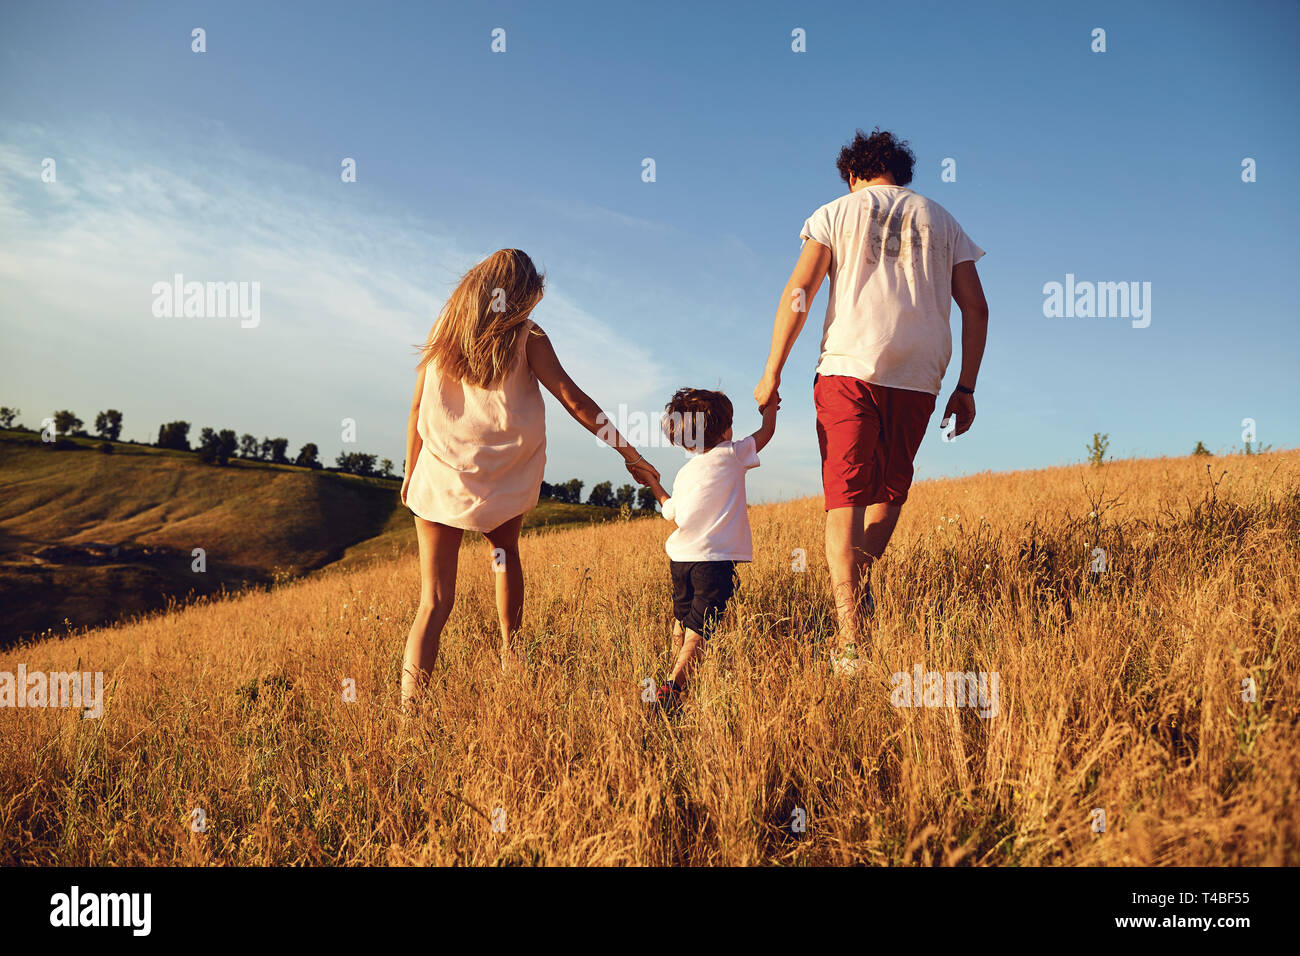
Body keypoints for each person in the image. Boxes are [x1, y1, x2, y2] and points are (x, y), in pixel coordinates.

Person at [752, 128, 989, 675]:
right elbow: (976, 309)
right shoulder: (944, 219)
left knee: (846, 494)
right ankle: (855, 602)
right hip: (920, 374)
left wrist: (771, 371)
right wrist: (967, 386)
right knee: (889, 490)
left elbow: (800, 294)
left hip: (849, 368)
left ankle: (849, 639)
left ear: (854, 174)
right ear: (900, 172)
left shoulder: (836, 211)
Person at [399, 248, 658, 709]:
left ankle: (408, 715)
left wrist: (410, 468)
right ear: (521, 294)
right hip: (502, 474)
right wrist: (628, 452)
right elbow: (575, 401)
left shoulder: (445, 329)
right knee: (503, 555)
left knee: (433, 601)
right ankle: (509, 655)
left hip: (440, 472)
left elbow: (418, 407)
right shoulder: (529, 337)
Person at [641, 388, 778, 711]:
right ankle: (675, 685)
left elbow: (670, 511)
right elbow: (767, 431)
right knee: (700, 630)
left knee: (683, 618)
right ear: (726, 429)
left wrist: (652, 483)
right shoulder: (733, 453)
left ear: (687, 441)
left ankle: (675, 668)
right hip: (713, 562)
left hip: (680, 560)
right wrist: (770, 405)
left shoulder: (686, 472)